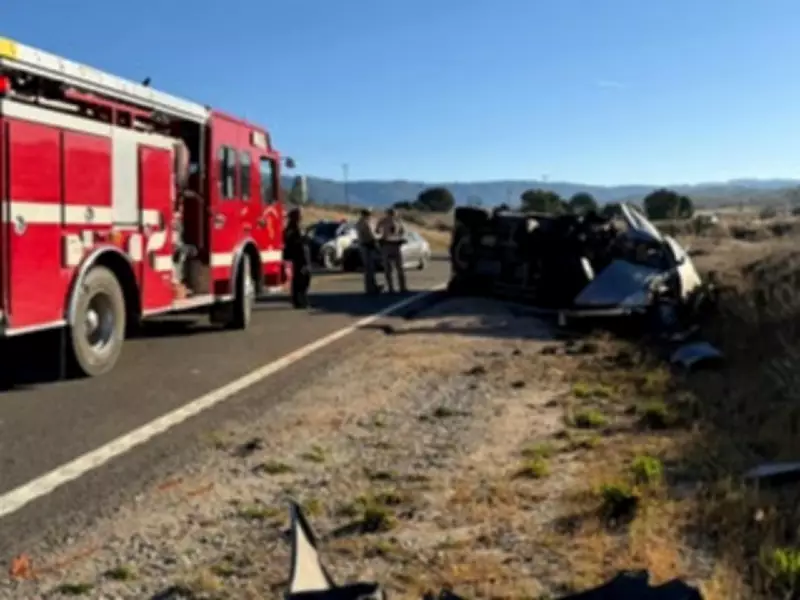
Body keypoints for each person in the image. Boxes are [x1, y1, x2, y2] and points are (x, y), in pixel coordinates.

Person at [283, 207, 312, 308]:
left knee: (306, 277)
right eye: (299, 215)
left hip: (304, 255)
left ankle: (301, 299)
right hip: (298, 257)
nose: (301, 217)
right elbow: (289, 242)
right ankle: (299, 300)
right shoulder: (290, 229)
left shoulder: (300, 227)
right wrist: (301, 239)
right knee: (300, 279)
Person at [376, 207, 407, 293]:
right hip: (388, 245)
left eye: (393, 214)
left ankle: (401, 287)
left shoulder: (398, 221)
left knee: (398, 267)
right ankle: (393, 288)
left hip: (394, 245)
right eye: (392, 213)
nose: (392, 215)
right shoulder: (384, 221)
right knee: (389, 268)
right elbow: (377, 231)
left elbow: (403, 232)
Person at [355, 208, 381, 294]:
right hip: (368, 245)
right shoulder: (366, 223)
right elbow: (371, 234)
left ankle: (369, 287)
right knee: (370, 268)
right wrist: (377, 241)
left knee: (367, 269)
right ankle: (372, 288)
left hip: (362, 245)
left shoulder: (358, 223)